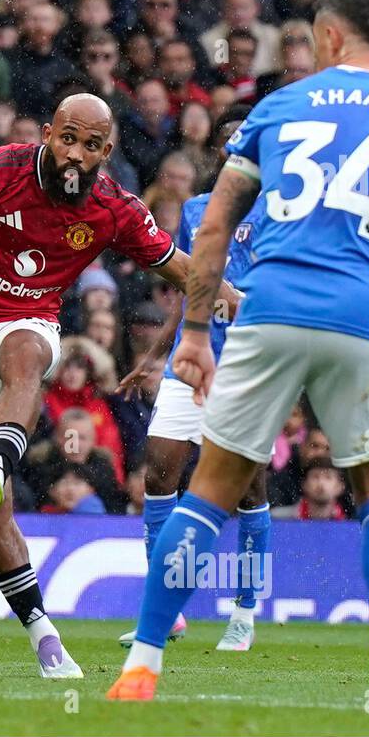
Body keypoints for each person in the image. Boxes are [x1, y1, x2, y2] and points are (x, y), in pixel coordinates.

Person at [111, 0, 369, 706]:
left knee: (207, 494)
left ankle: (141, 665)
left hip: (270, 313)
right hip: (366, 318)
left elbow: (211, 235)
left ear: (330, 39)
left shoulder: (277, 108)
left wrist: (199, 333)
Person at [0, 91, 233, 678]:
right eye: (68, 139)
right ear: (50, 134)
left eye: (91, 146)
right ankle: (42, 634)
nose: (77, 154)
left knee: (26, 353)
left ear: (107, 151)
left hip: (23, 323)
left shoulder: (115, 208)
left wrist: (230, 296)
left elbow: (178, 267)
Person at [117, 105, 271, 653]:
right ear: (223, 153)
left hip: (251, 366)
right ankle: (168, 613)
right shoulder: (198, 208)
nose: (237, 149)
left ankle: (246, 612)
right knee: (159, 475)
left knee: (248, 492)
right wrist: (157, 353)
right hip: (192, 360)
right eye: (230, 141)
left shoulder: (286, 210)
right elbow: (190, 287)